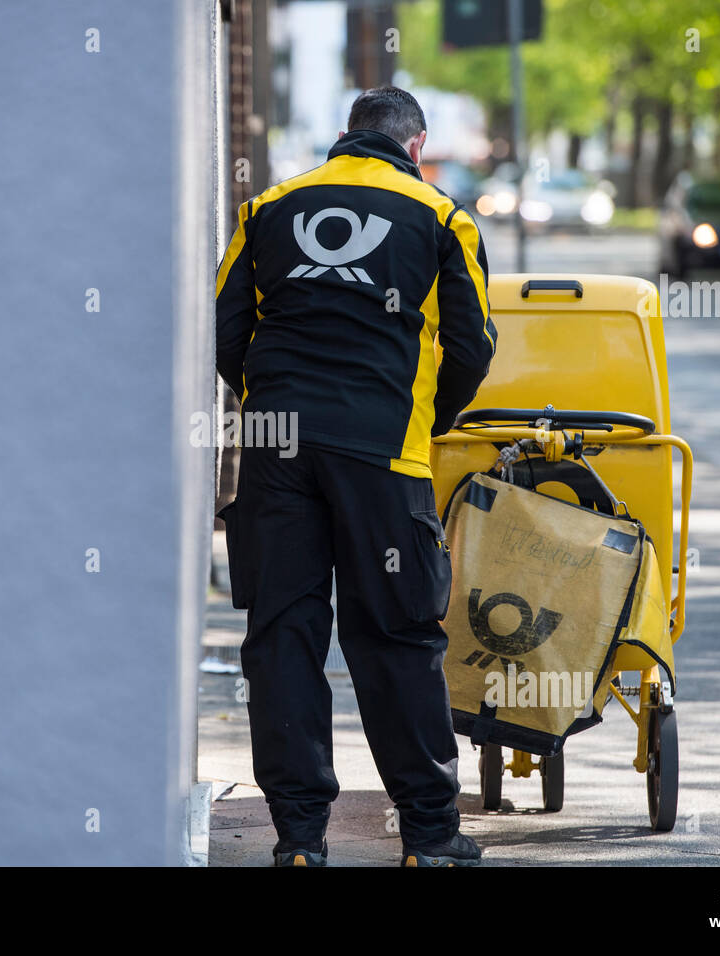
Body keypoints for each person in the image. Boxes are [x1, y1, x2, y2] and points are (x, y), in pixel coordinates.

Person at [215, 86, 497, 867]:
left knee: (282, 637)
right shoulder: (441, 217)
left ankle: (300, 841)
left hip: (278, 458)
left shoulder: (268, 208)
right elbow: (473, 347)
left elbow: (226, 328)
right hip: (382, 458)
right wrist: (426, 419)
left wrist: (270, 404)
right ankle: (429, 839)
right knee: (396, 639)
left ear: (346, 138)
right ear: (417, 146)